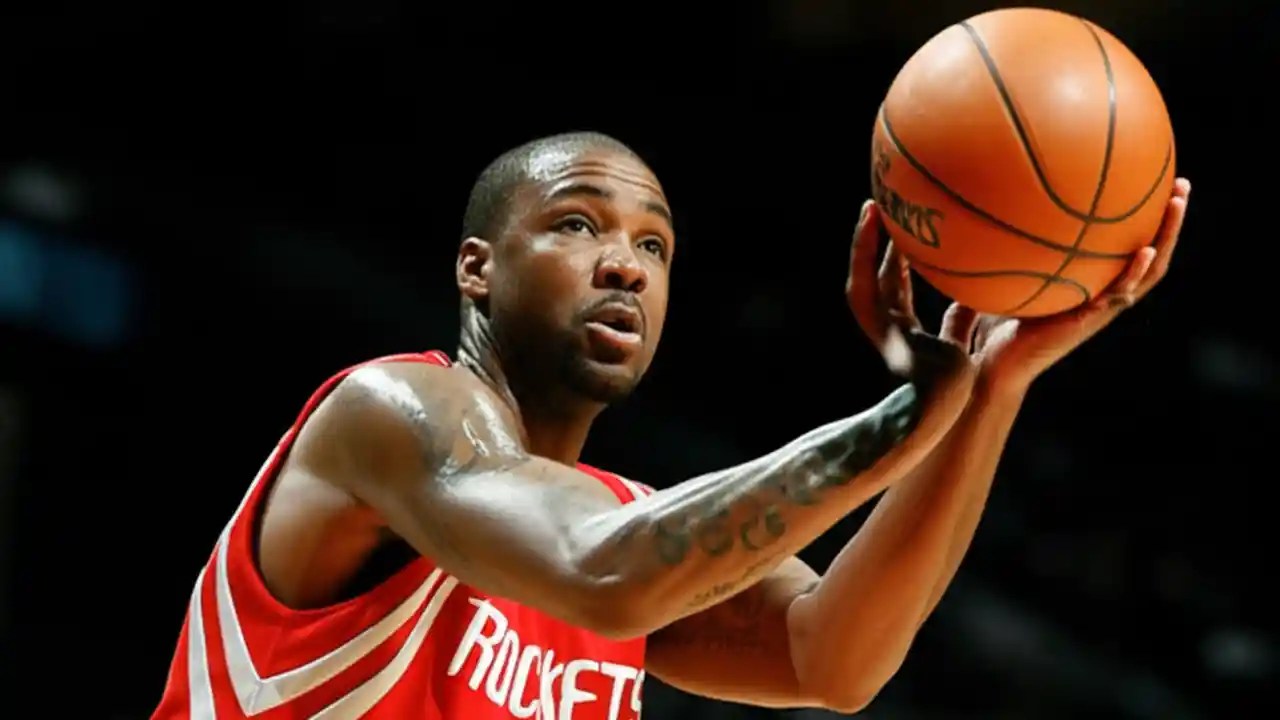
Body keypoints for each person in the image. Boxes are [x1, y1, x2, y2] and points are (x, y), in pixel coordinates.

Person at [150, 131, 1190, 719]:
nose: (625, 265)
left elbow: (834, 659)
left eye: (654, 248)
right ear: (476, 269)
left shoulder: (627, 520)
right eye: (577, 224)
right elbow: (601, 570)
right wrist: (908, 408)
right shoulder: (387, 413)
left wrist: (987, 391)